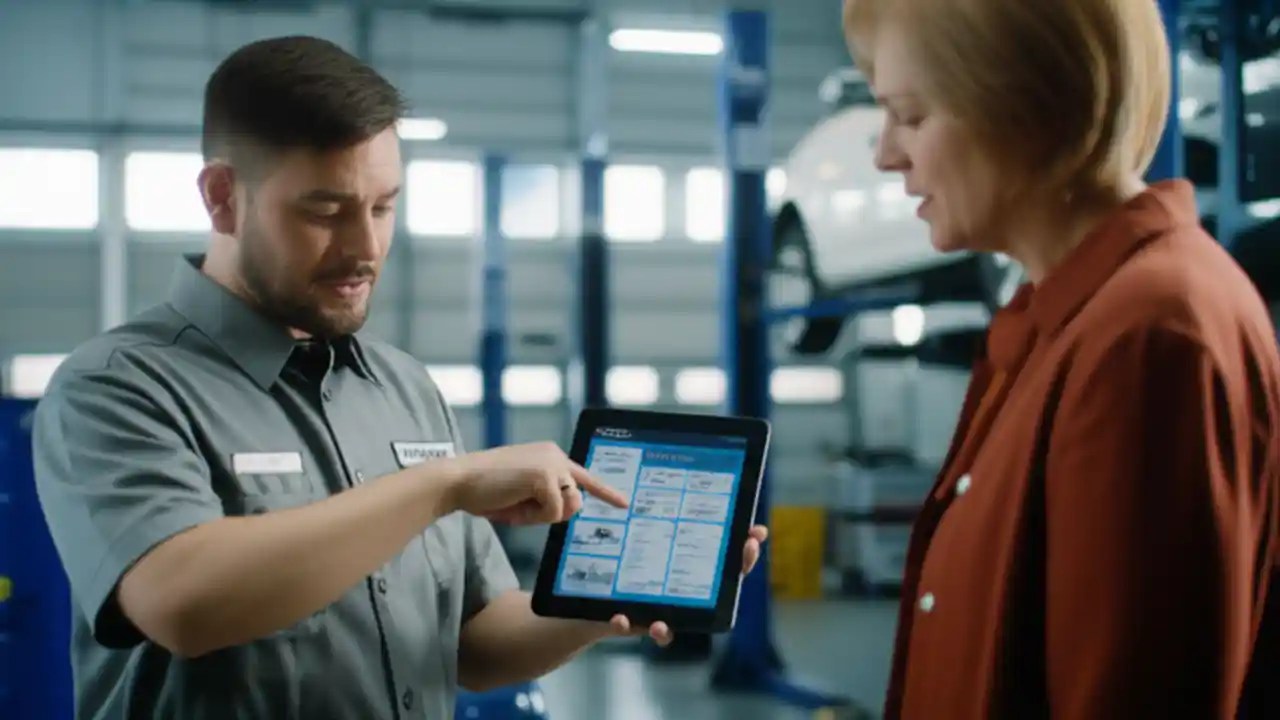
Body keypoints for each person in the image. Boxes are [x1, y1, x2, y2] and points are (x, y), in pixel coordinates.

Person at [31, 35, 768, 719]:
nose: (366, 247)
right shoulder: (119, 386)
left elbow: (476, 645)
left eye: (384, 207)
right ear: (222, 197)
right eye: (325, 211)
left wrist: (613, 599)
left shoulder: (403, 387)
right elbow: (183, 604)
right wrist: (441, 486)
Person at [841, 1, 1280, 718]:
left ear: (1028, 101)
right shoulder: (1064, 319)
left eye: (912, 117)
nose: (887, 154)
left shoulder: (1147, 336)